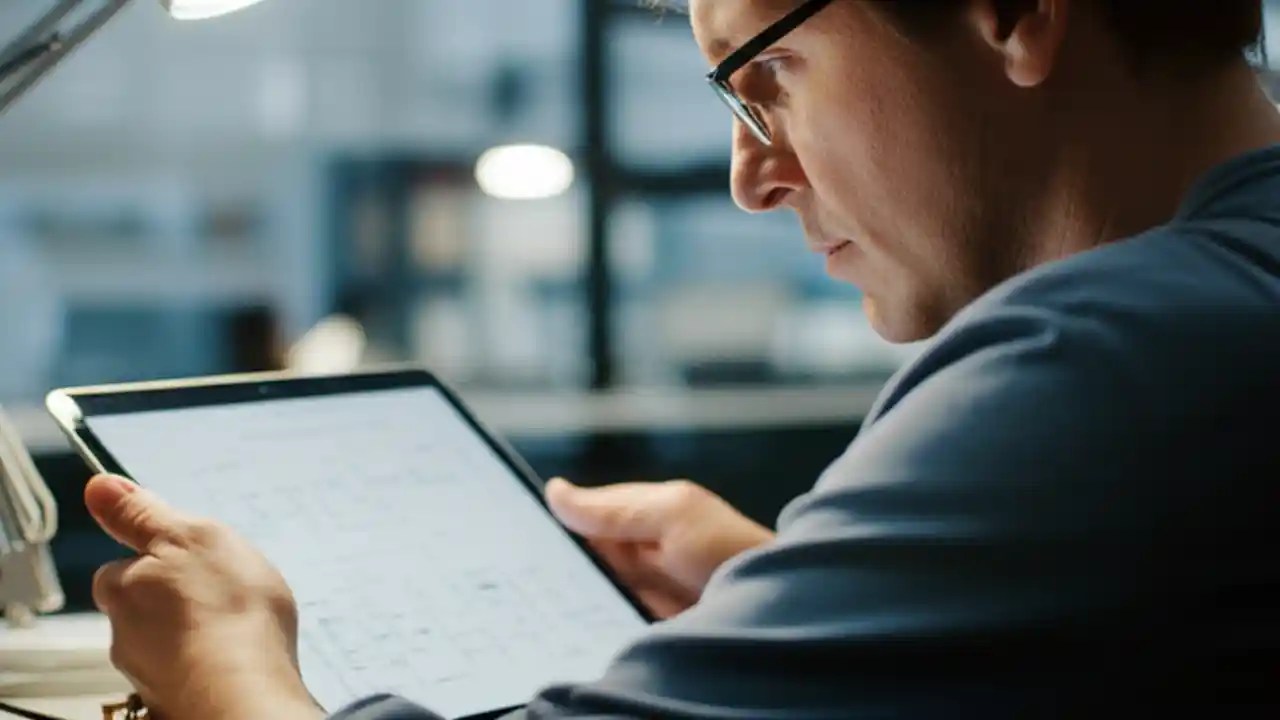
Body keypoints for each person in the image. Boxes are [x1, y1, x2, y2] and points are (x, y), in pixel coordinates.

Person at [83, 0, 1280, 718]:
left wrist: (230, 673)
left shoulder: (1102, 362)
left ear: (1012, 8)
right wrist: (828, 615)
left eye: (764, 81)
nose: (749, 179)